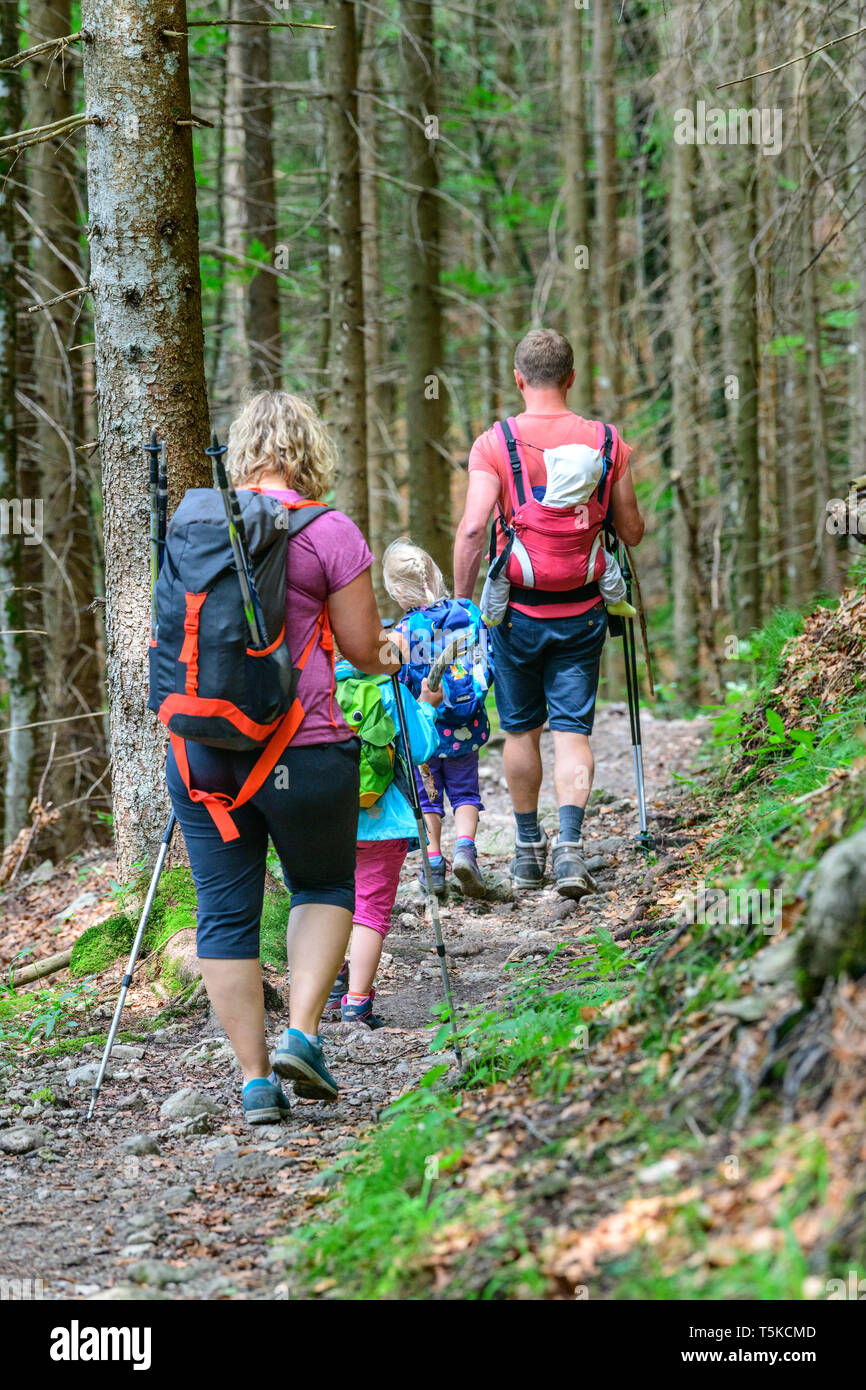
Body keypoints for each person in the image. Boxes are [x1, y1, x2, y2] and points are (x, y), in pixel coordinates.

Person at [165, 391, 400, 1123]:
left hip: (203, 756)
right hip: (304, 750)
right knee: (324, 885)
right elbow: (362, 649)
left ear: (241, 455)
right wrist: (392, 653)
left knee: (224, 917)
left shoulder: (194, 528)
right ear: (310, 452)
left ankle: (254, 1081)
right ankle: (302, 1033)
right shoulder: (329, 530)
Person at [453, 328, 644, 900]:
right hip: (583, 610)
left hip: (516, 613)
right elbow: (631, 530)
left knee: (520, 730)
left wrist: (464, 606)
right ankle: (569, 849)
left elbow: (470, 529)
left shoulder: (494, 443)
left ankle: (526, 853)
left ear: (518, 379)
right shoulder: (608, 442)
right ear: (571, 378)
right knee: (571, 730)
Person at [325, 663, 438, 1027]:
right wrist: (428, 704)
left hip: (319, 820)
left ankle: (327, 988)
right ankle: (357, 1004)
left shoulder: (310, 684)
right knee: (369, 912)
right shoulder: (388, 686)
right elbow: (422, 748)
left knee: (326, 904)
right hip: (382, 822)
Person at [384, 538, 492, 898]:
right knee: (465, 794)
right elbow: (486, 662)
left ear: (400, 592)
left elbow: (395, 684)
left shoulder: (402, 632)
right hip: (467, 726)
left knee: (428, 799)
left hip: (425, 734)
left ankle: (432, 864)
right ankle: (465, 850)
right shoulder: (469, 612)